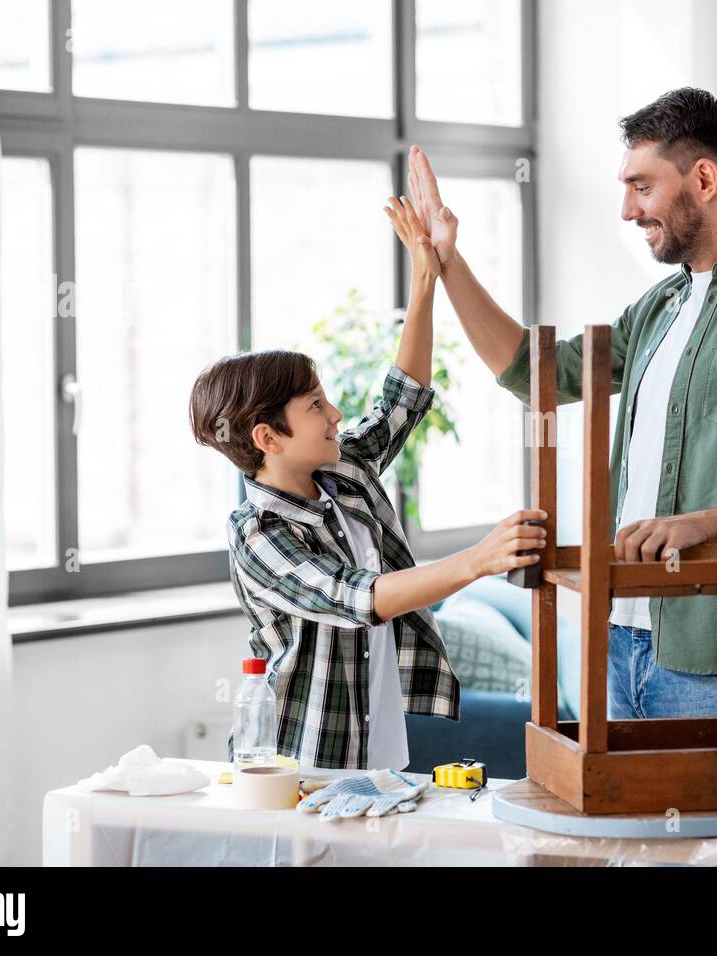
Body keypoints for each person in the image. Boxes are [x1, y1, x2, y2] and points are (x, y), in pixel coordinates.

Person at [404, 88, 717, 725]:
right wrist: (447, 261)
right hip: (617, 637)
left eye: (642, 186)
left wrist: (708, 524)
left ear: (706, 178)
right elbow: (535, 373)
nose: (627, 209)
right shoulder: (659, 307)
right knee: (617, 830)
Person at [188, 195, 545, 769]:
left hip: (371, 746)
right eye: (315, 405)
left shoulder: (341, 472)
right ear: (266, 438)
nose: (334, 414)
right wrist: (477, 560)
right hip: (294, 760)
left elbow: (400, 400)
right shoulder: (256, 534)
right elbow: (360, 598)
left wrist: (425, 281)